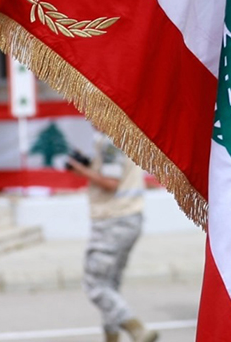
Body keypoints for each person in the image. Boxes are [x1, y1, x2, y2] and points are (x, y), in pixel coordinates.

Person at [66, 135, 158, 342]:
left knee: (95, 284)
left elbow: (111, 182)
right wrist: (90, 165)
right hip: (128, 218)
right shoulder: (124, 135)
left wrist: (80, 170)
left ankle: (137, 328)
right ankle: (112, 336)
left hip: (113, 220)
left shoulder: (111, 141)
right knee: (109, 285)